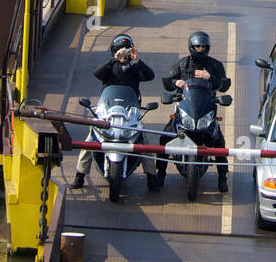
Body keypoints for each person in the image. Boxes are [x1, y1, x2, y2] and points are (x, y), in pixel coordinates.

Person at [73, 35, 155, 190]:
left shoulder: (135, 68)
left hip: (130, 113)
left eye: (126, 52)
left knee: (144, 141)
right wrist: (113, 60)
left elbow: (150, 76)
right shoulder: (110, 68)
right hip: (108, 113)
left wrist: (137, 61)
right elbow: (97, 73)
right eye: (119, 52)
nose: (123, 55)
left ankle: (152, 178)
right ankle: (79, 176)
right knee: (90, 139)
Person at [160, 30, 231, 192]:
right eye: (197, 46)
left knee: (219, 142)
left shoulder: (215, 65)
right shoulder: (181, 64)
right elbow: (168, 81)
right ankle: (160, 174)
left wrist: (210, 78)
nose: (200, 49)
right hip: (184, 109)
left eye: (203, 46)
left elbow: (225, 85)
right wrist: (175, 82)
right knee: (164, 138)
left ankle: (222, 177)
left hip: (206, 110)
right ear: (191, 46)